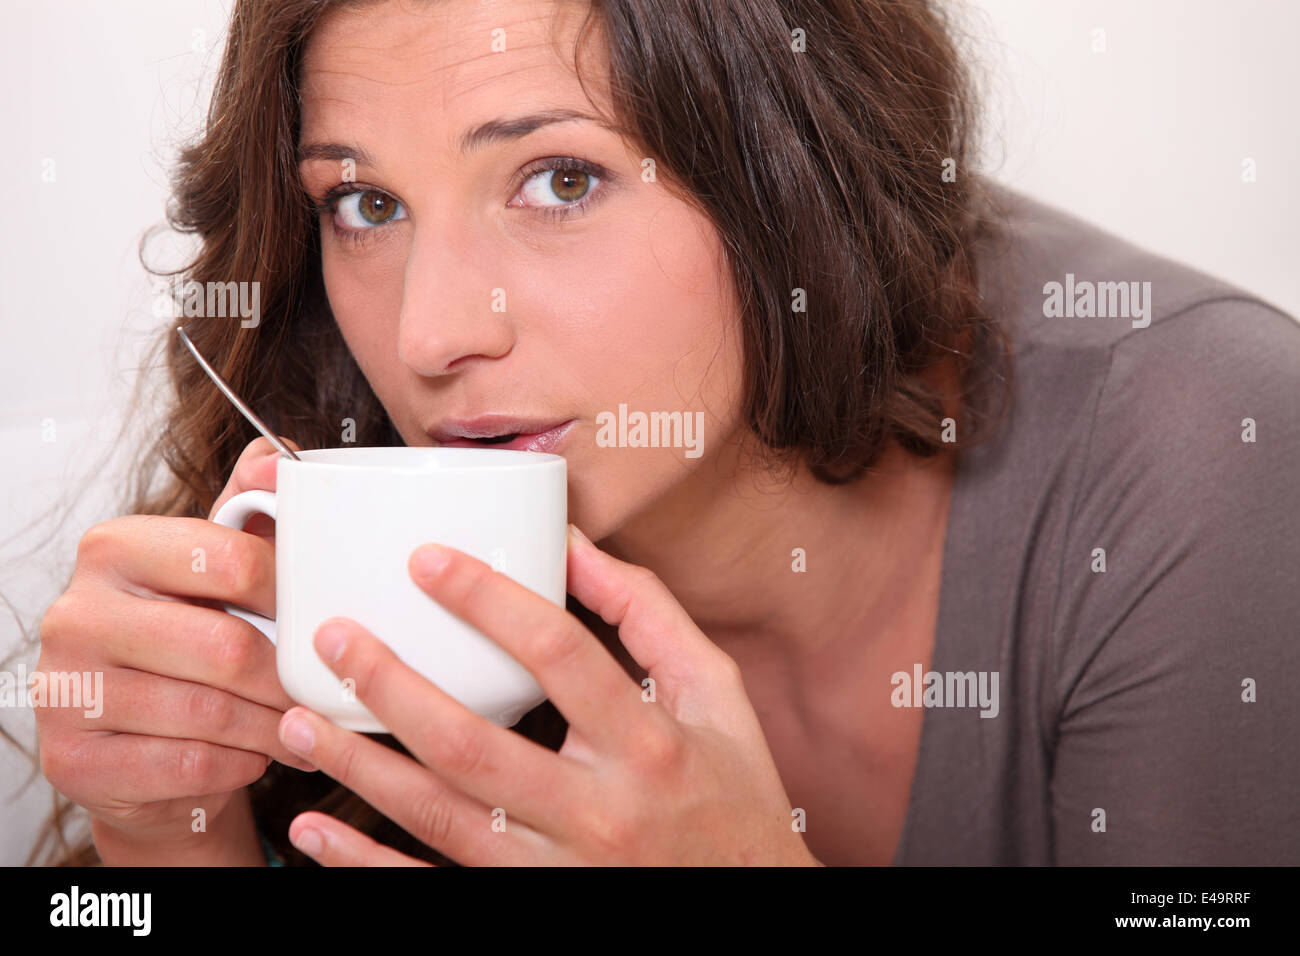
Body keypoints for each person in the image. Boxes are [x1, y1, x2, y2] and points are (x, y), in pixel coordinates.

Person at [20, 0, 1299, 867]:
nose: (428, 333)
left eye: (559, 179)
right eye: (364, 201)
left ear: (791, 163)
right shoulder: (335, 470)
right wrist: (167, 830)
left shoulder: (1202, 449)